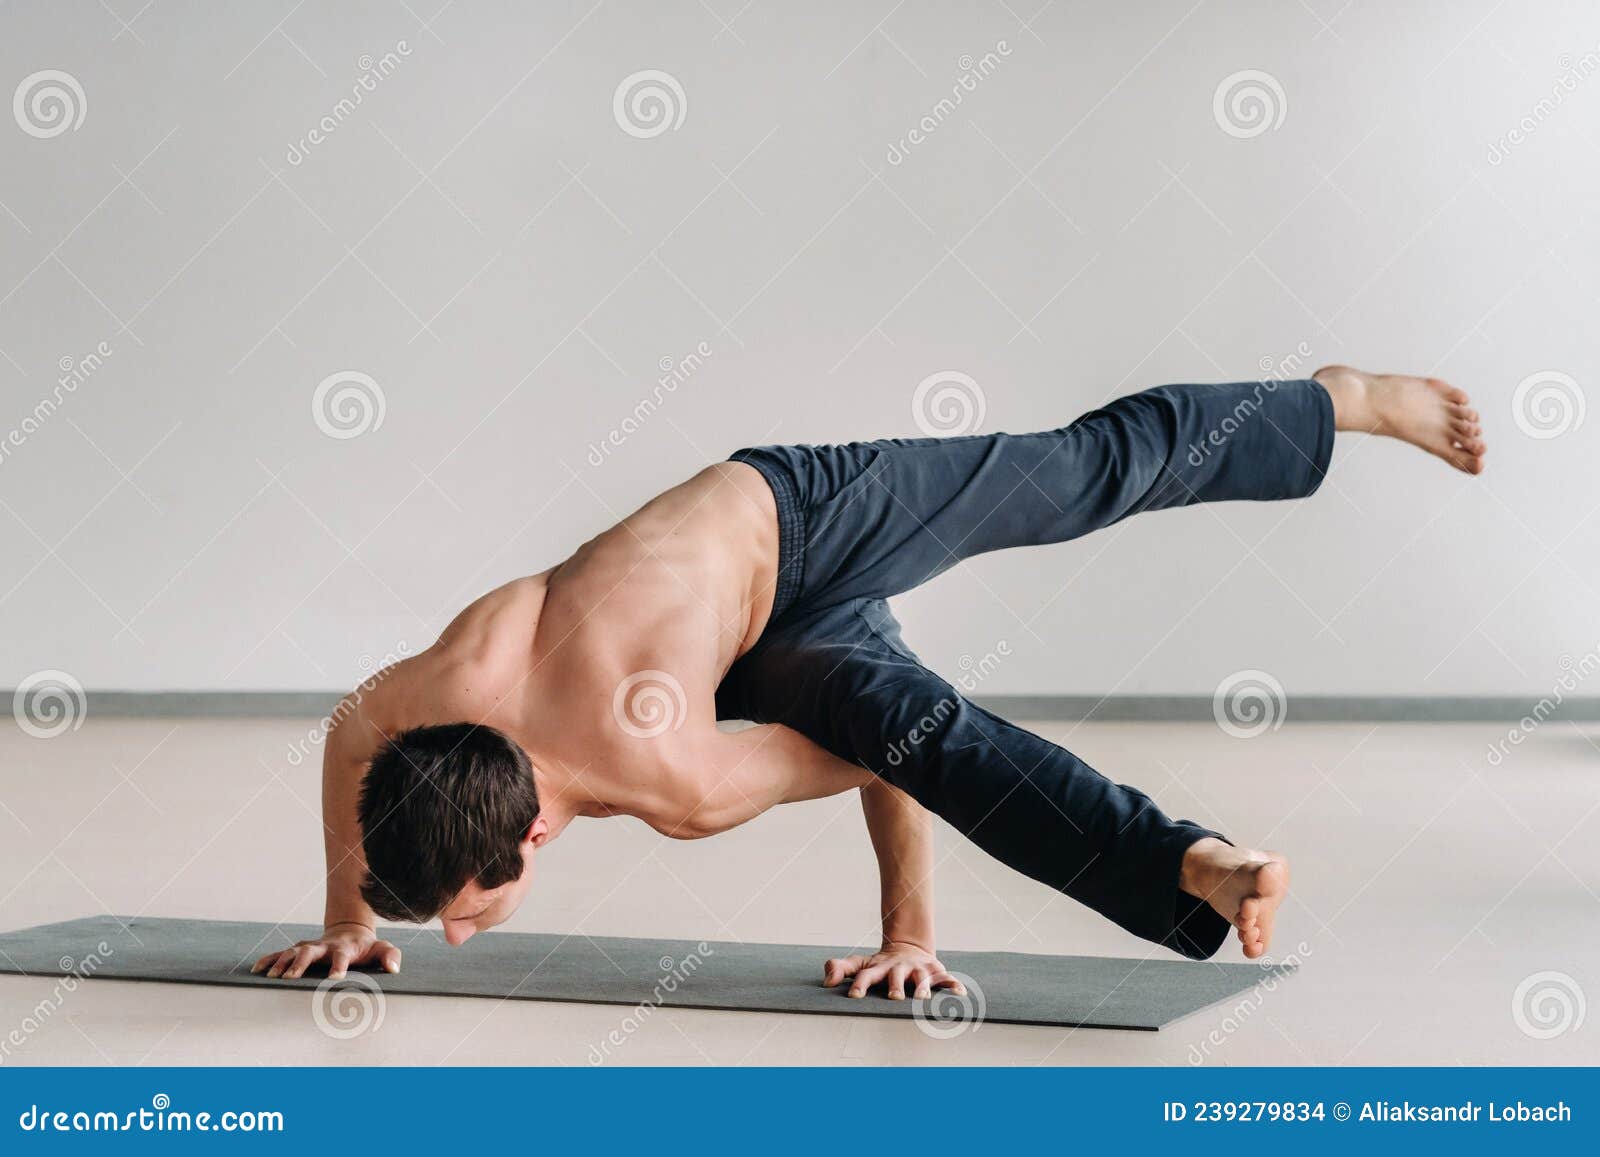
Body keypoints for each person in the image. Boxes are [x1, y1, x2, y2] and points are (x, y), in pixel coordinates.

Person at [253, 365, 1485, 999]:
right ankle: (1191, 857)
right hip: (736, 648)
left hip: (805, 515)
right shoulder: (429, 689)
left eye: (464, 906)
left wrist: (907, 928)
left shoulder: (669, 776)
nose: (462, 929)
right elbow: (347, 732)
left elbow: (890, 747)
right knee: (917, 726)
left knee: (1074, 473)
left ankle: (1334, 401)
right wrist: (352, 918)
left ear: (524, 834)